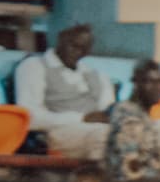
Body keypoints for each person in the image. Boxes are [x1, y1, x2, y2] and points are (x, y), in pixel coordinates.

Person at [12, 24, 115, 159]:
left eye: (84, 49)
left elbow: (107, 111)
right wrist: (81, 118)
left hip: (95, 130)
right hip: (56, 132)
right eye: (74, 46)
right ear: (61, 40)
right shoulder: (34, 66)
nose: (78, 52)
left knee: (136, 135)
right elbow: (30, 117)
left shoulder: (96, 75)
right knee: (104, 137)